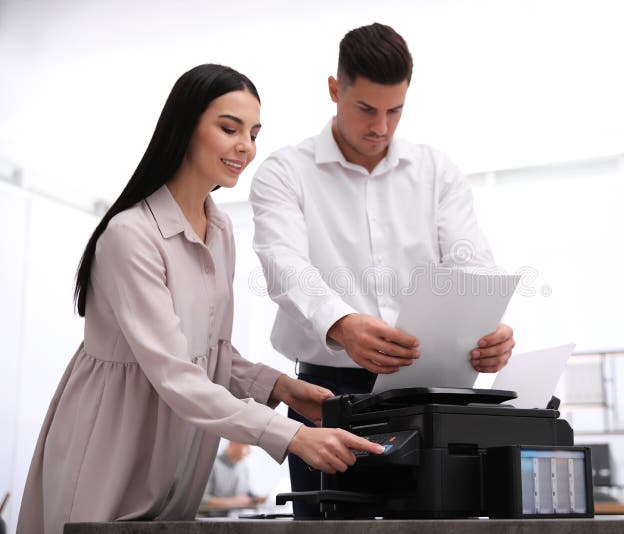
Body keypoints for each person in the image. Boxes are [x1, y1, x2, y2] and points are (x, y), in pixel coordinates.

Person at [17, 64, 382, 534]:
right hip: (108, 453)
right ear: (185, 127)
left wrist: (280, 388)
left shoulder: (221, 229)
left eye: (254, 134)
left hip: (177, 457)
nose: (245, 146)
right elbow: (175, 373)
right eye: (229, 129)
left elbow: (210, 352)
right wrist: (290, 435)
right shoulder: (131, 236)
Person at [249, 23, 515, 517]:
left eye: (395, 111)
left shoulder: (437, 171)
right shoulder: (285, 172)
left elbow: (471, 263)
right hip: (328, 396)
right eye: (366, 109)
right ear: (335, 89)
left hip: (429, 393)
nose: (381, 126)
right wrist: (341, 323)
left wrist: (486, 326)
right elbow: (283, 263)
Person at [201, 441, 265, 510]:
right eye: (247, 446)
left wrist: (257, 499)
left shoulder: (243, 467)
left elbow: (247, 492)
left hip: (238, 515)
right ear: (233, 443)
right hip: (212, 515)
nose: (250, 451)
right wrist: (235, 502)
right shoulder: (210, 464)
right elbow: (202, 500)